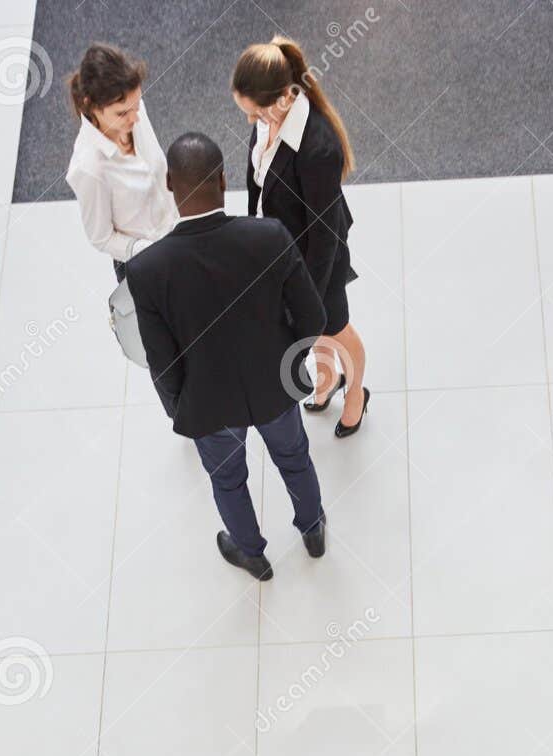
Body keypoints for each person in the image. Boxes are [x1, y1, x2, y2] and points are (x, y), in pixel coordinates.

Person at [126, 132, 328, 583]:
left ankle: (252, 554)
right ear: (223, 180)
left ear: (169, 185)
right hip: (275, 385)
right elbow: (313, 317)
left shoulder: (147, 271)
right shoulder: (269, 236)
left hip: (208, 402)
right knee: (295, 458)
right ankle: (312, 530)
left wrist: (182, 410)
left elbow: (162, 361)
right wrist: (287, 366)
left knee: (228, 480)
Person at [231, 36, 369, 437]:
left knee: (336, 328)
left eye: (253, 110)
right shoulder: (265, 120)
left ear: (283, 99)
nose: (249, 119)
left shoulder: (317, 149)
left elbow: (324, 239)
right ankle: (327, 380)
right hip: (283, 251)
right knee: (321, 330)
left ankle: (356, 392)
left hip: (316, 261)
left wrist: (306, 295)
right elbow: (259, 183)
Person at [66, 43, 175, 279]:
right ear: (90, 105)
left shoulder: (131, 109)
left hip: (176, 237)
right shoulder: (89, 168)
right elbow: (101, 238)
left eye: (137, 105)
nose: (135, 118)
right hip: (143, 263)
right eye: (122, 113)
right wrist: (152, 252)